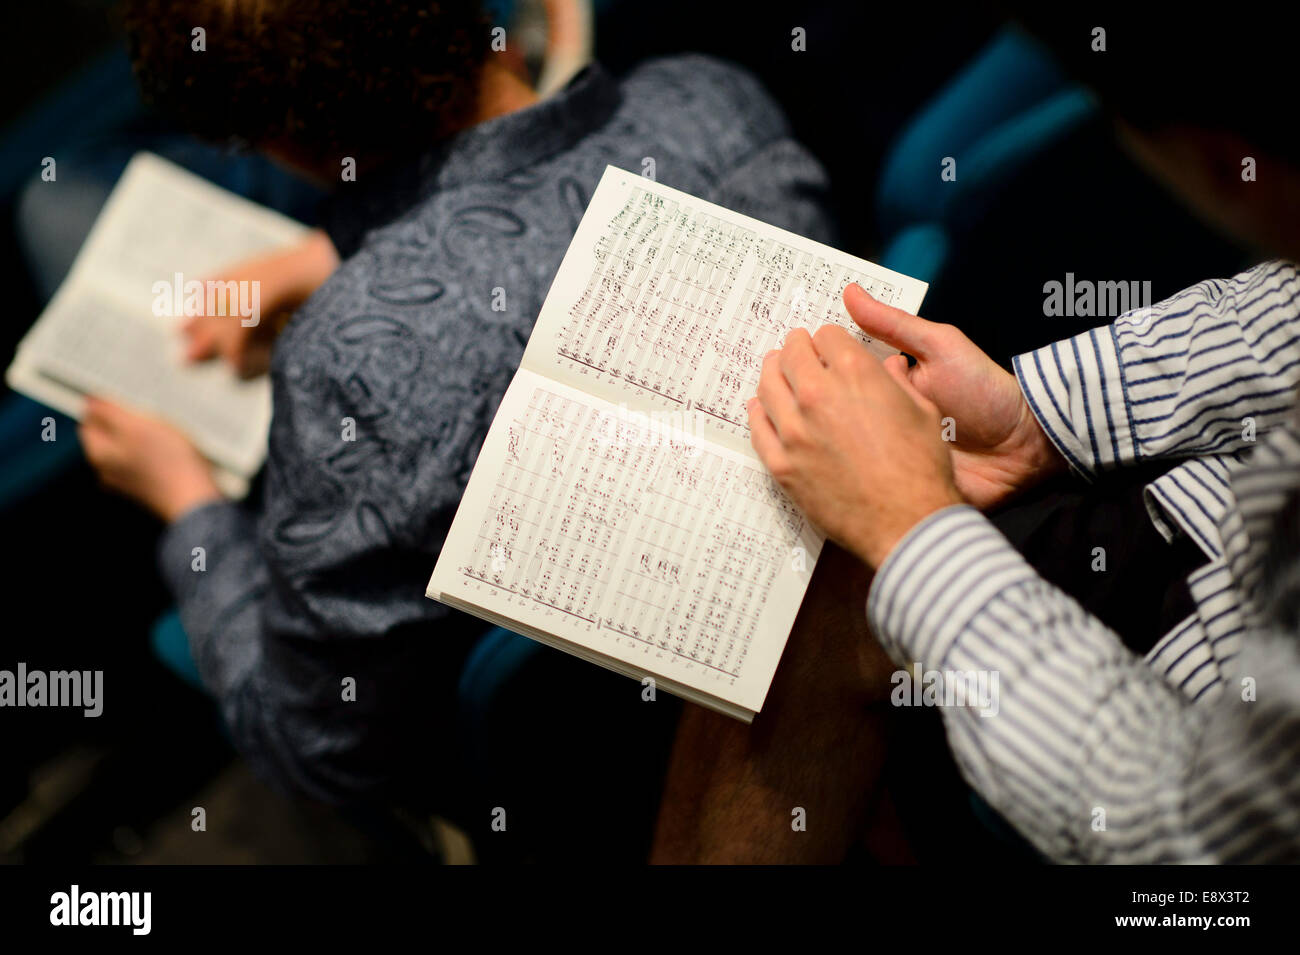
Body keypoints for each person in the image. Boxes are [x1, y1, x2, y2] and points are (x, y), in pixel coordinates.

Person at [75, 0, 846, 819]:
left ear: (283, 144)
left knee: (53, 212)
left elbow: (322, 751)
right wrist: (334, 250)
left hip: (566, 776)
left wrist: (186, 504)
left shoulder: (349, 364)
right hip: (799, 663)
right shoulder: (712, 101)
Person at [742, 9, 1300, 862]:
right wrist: (1035, 415)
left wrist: (909, 527)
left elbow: (1186, 843)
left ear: (1229, 168)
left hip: (1178, 734)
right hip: (1191, 522)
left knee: (803, 590)